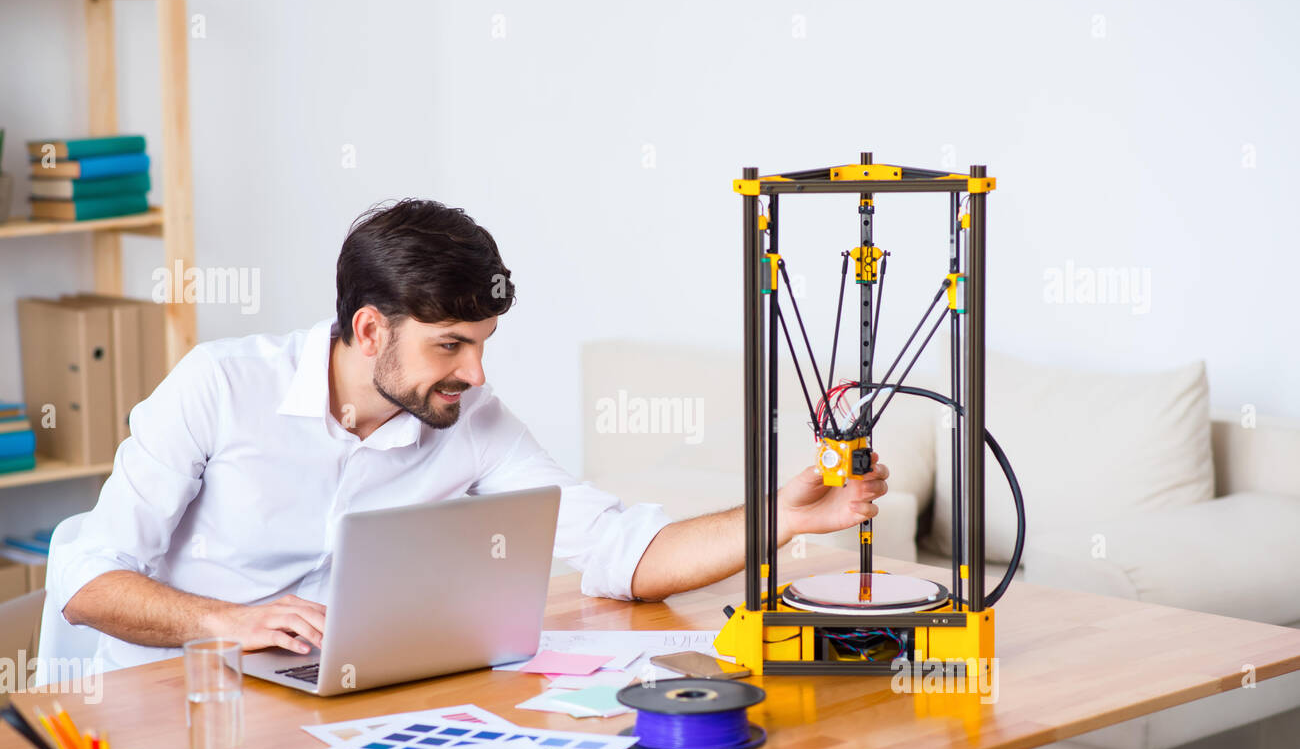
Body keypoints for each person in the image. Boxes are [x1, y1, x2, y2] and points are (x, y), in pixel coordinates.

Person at [56, 199, 889, 671]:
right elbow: (90, 580)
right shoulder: (220, 385)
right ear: (371, 328)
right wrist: (227, 619)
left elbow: (620, 553)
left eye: (483, 344)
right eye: (450, 345)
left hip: (332, 699)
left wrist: (780, 516)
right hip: (177, 699)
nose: (476, 374)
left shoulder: (469, 421)